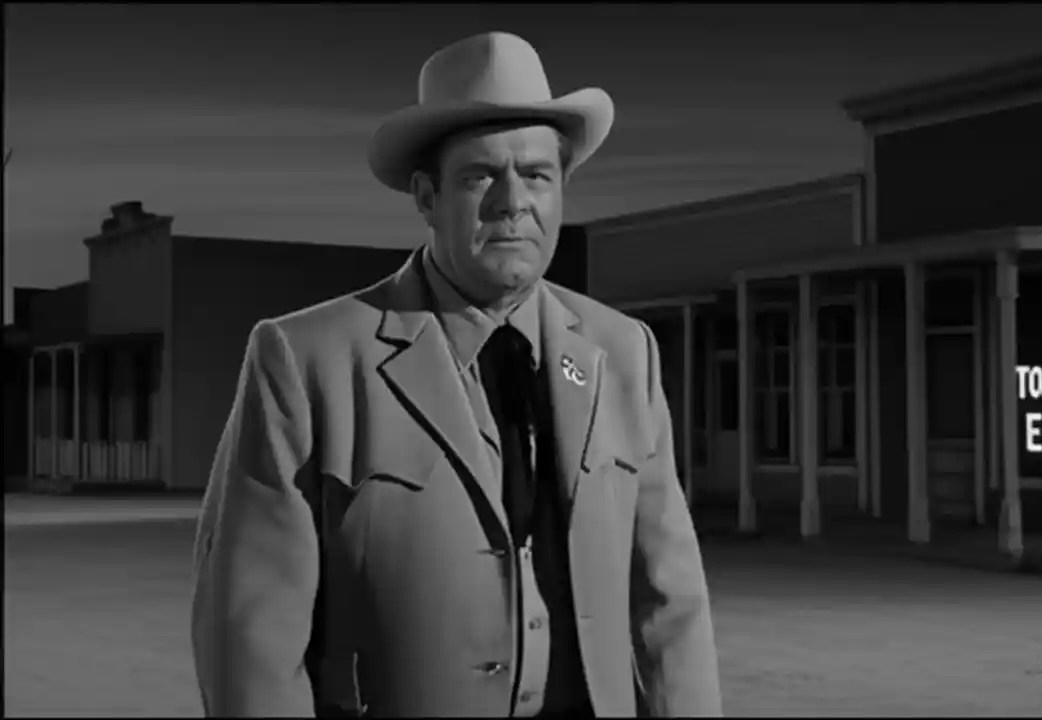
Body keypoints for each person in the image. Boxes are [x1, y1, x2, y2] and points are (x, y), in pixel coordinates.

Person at [190, 31, 723, 718]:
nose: (512, 202)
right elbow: (251, 644)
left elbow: (670, 604)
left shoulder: (622, 353)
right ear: (425, 195)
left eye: (537, 174)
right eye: (479, 176)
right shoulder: (308, 361)